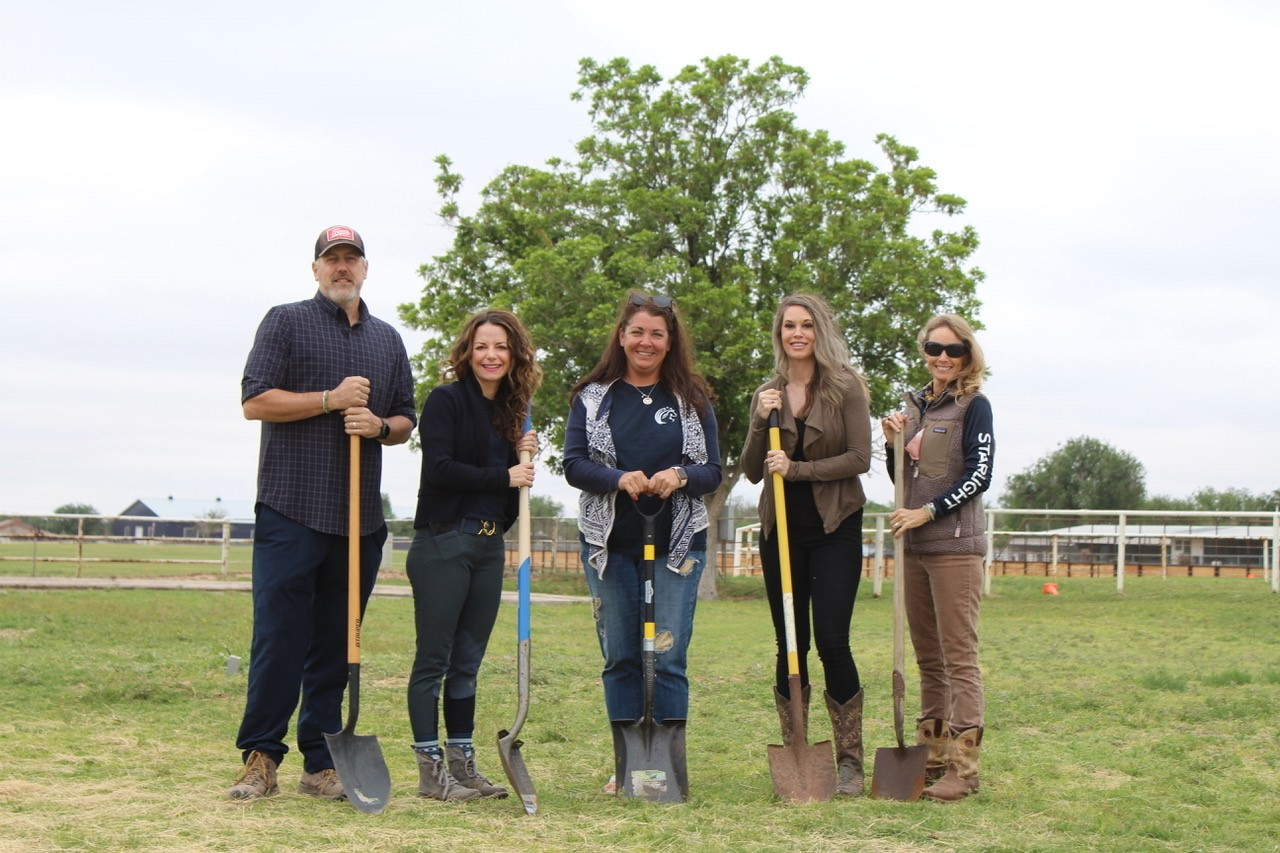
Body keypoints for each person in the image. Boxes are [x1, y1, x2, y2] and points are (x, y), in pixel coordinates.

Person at [230, 225, 417, 801]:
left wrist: (380, 426)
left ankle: (320, 760)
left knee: (339, 644)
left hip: (358, 521)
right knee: (280, 637)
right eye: (331, 259)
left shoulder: (387, 341)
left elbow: (407, 418)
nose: (342, 268)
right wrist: (329, 400)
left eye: (351, 260)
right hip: (292, 507)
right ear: (315, 269)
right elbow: (254, 401)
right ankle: (261, 756)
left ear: (366, 269)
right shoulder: (284, 321)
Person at [563, 290, 722, 791]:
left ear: (670, 341)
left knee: (668, 655)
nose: (646, 342)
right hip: (610, 547)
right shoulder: (592, 397)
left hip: (677, 545)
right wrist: (617, 478)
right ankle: (627, 767)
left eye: (657, 333)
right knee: (623, 657)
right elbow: (573, 464)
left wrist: (679, 474)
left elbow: (712, 470)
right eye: (637, 332)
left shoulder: (692, 399)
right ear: (622, 336)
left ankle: (669, 770)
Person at [406, 309, 541, 802]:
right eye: (482, 346)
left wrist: (522, 465)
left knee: (467, 663)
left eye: (501, 347)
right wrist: (505, 475)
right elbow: (440, 469)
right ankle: (430, 770)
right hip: (443, 542)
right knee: (434, 662)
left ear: (514, 356)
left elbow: (505, 501)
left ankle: (463, 763)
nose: (491, 355)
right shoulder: (444, 401)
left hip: (488, 547)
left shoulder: (511, 413)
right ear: (467, 351)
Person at [741, 293, 873, 796]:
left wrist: (797, 469)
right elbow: (754, 470)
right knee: (789, 643)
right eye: (788, 326)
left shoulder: (845, 388)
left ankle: (849, 761)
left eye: (806, 325)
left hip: (835, 527)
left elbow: (859, 457)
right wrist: (760, 419)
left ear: (820, 331)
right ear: (779, 334)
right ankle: (797, 749)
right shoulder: (769, 392)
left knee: (833, 641)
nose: (797, 333)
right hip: (782, 532)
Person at [880, 314, 994, 802]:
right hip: (915, 548)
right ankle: (933, 755)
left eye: (954, 350)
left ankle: (964, 771)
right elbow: (901, 479)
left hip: (954, 546)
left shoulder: (975, 407)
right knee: (929, 658)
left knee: (959, 658)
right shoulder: (914, 406)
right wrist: (892, 446)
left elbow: (979, 476)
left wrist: (927, 512)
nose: (943, 357)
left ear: (968, 355)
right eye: (934, 347)